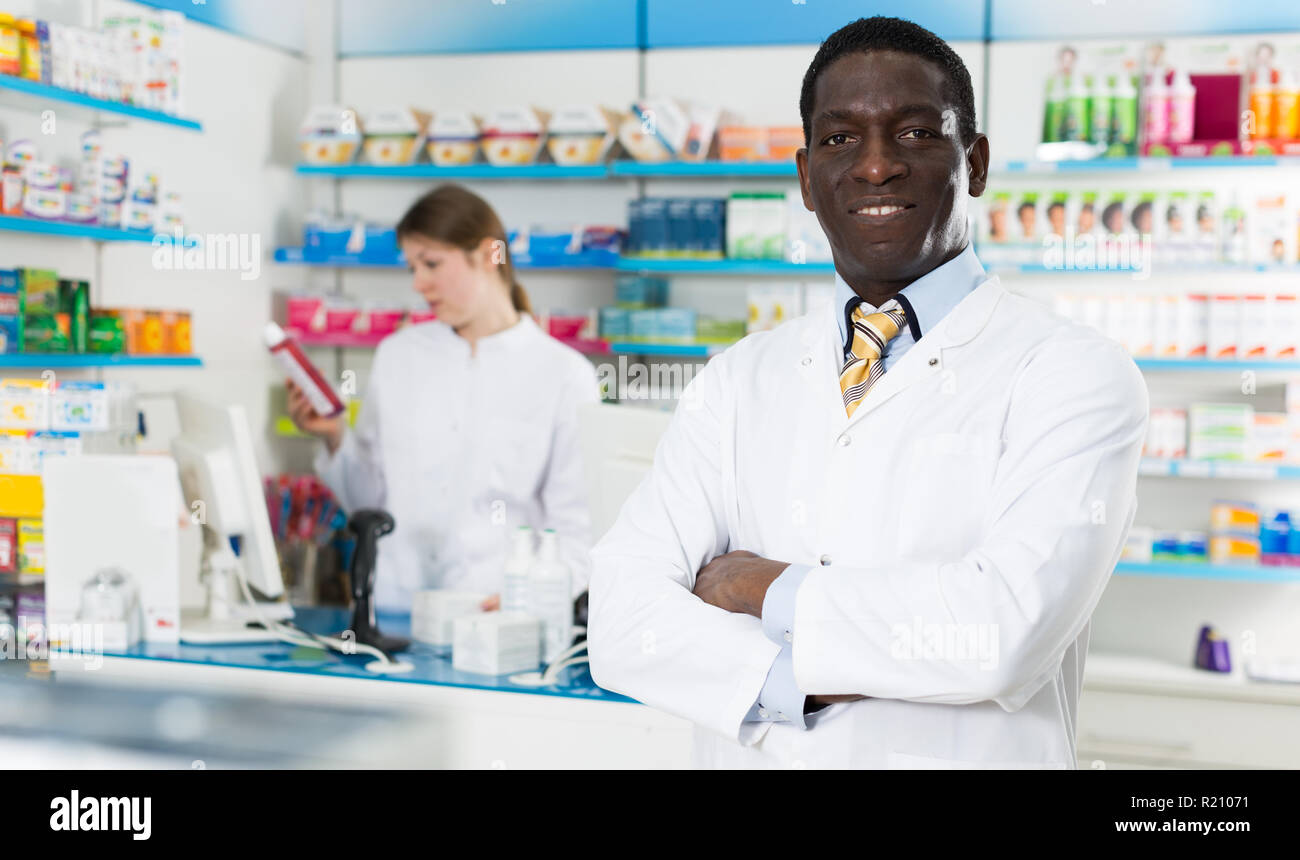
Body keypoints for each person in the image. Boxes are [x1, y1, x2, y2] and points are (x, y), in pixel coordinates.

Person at [587, 16, 1148, 769]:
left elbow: (1000, 634)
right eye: (840, 139)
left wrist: (765, 589)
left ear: (974, 163)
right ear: (806, 178)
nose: (875, 166)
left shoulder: (1074, 374)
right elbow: (624, 621)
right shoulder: (737, 378)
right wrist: (795, 680)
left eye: (916, 133)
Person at [288, 184, 599, 612]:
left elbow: (580, 529)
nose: (419, 283)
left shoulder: (565, 375)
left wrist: (530, 599)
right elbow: (367, 504)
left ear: (490, 256)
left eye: (432, 263)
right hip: (396, 611)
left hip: (501, 618)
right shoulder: (398, 355)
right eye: (412, 266)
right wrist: (333, 436)